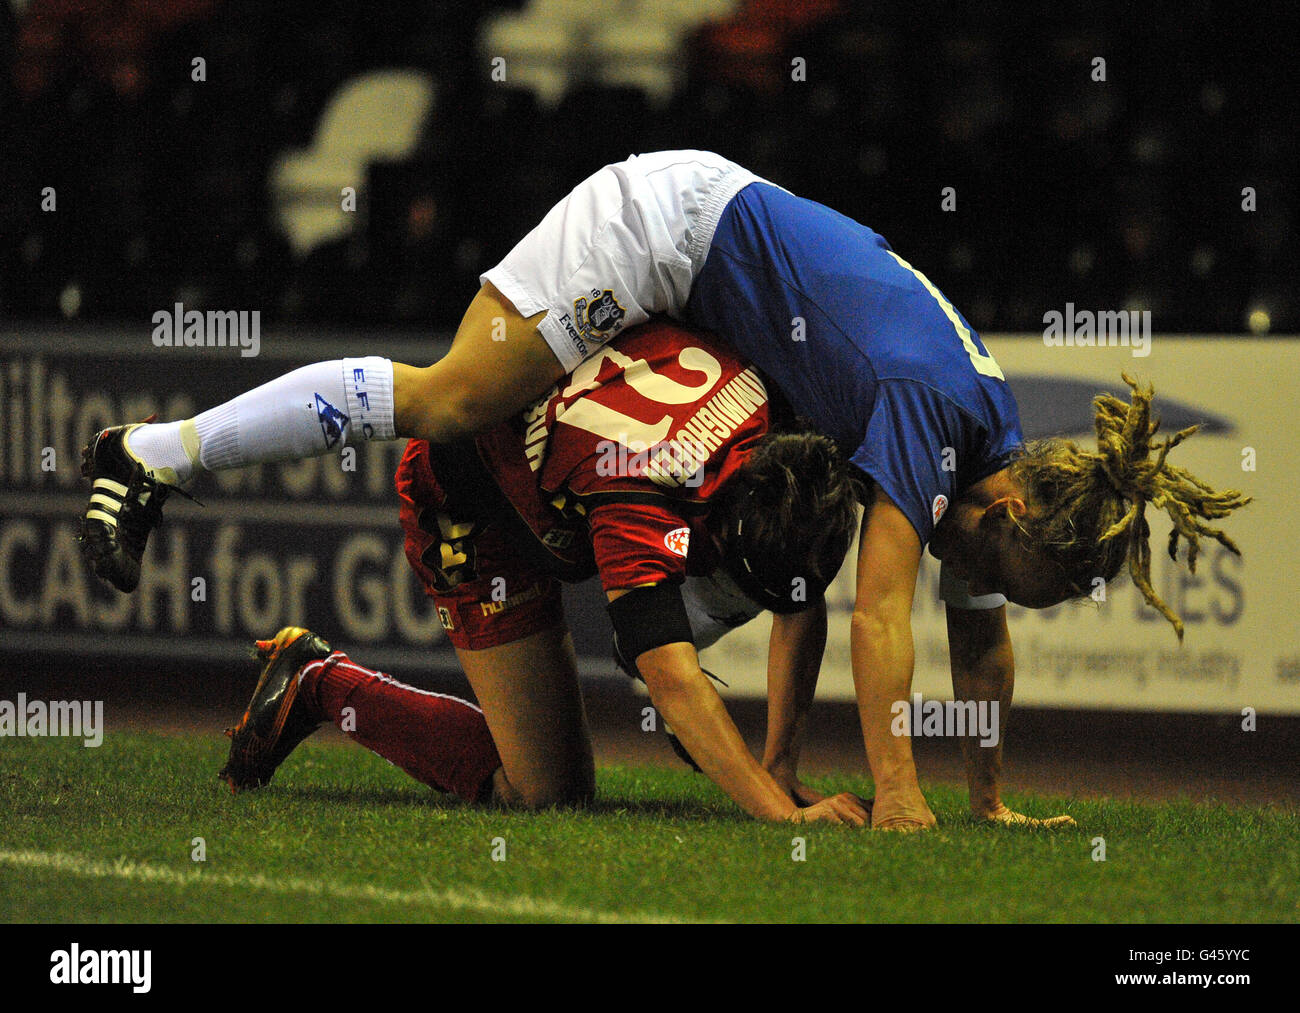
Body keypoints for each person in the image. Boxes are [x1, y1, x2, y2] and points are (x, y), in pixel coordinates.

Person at [81, 151, 1251, 829]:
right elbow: (879, 617)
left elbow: (957, 635)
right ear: (1007, 515)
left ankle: (332, 685)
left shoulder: (980, 458)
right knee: (450, 397)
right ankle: (158, 454)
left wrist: (971, 797)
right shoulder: (932, 412)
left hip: (695, 288)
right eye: (1031, 581)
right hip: (659, 231)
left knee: (567, 767)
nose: (1012, 603)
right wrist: (897, 793)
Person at [216, 318, 868, 824]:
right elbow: (668, 673)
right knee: (545, 790)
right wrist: (784, 814)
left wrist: (777, 764)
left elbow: (794, 586)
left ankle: (691, 680)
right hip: (467, 507)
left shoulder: (778, 436)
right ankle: (319, 681)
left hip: (557, 454)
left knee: (711, 607)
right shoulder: (635, 492)